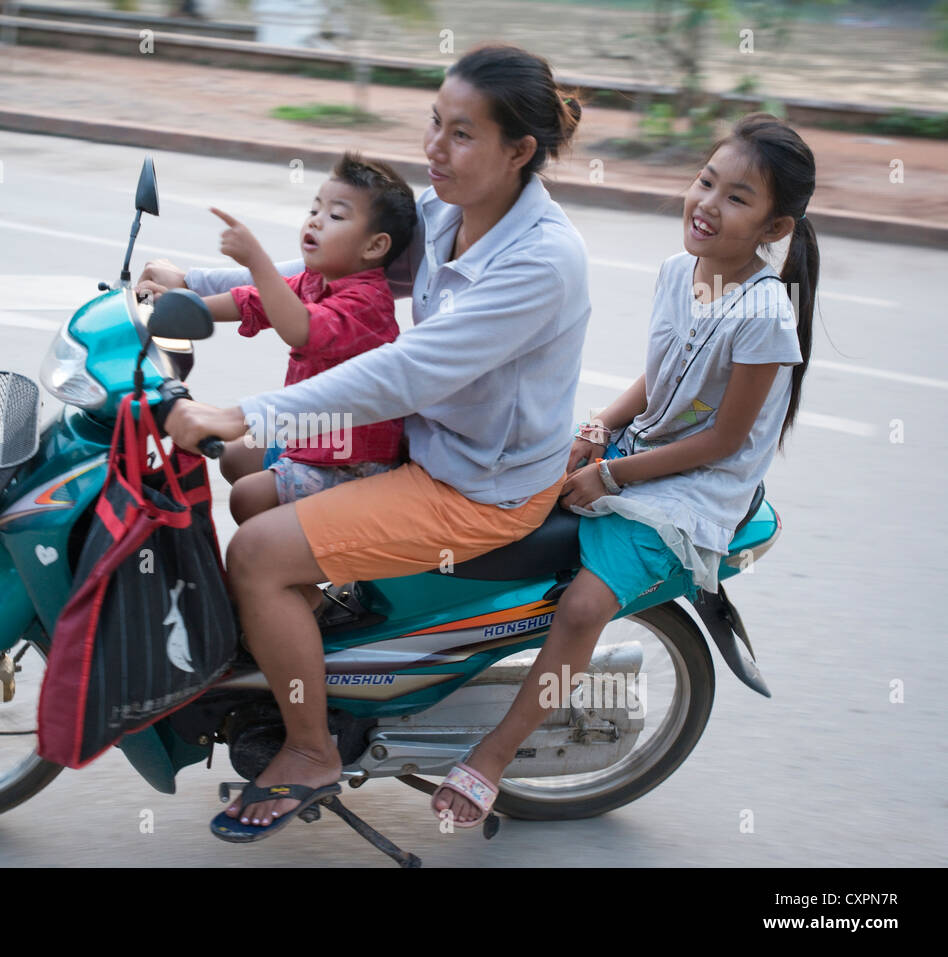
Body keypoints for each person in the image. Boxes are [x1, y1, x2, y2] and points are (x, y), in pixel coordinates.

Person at [146, 43, 590, 837]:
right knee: (241, 472)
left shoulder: (541, 261)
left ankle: (311, 750)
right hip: (427, 442)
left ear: (518, 151)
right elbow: (327, 267)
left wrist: (245, 410)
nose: (433, 149)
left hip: (474, 484)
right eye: (433, 123)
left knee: (255, 553)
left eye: (461, 134)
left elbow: (407, 371)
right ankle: (303, 625)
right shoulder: (448, 211)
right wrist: (193, 284)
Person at [431, 111, 819, 826]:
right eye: (707, 181)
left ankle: (490, 757)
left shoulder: (765, 313)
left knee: (584, 607)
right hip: (641, 451)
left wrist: (611, 476)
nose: (708, 203)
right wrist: (599, 427)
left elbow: (723, 441)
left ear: (774, 228)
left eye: (738, 197)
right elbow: (661, 372)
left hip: (694, 490)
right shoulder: (680, 271)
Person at [140, 151, 416, 531]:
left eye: (336, 216)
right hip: (312, 433)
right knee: (234, 456)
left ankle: (295, 576)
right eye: (315, 209)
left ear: (374, 247)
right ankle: (295, 543)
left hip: (350, 459)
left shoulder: (366, 303)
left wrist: (258, 260)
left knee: (247, 496)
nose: (317, 221)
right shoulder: (316, 281)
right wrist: (180, 305)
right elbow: (251, 301)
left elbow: (300, 327)